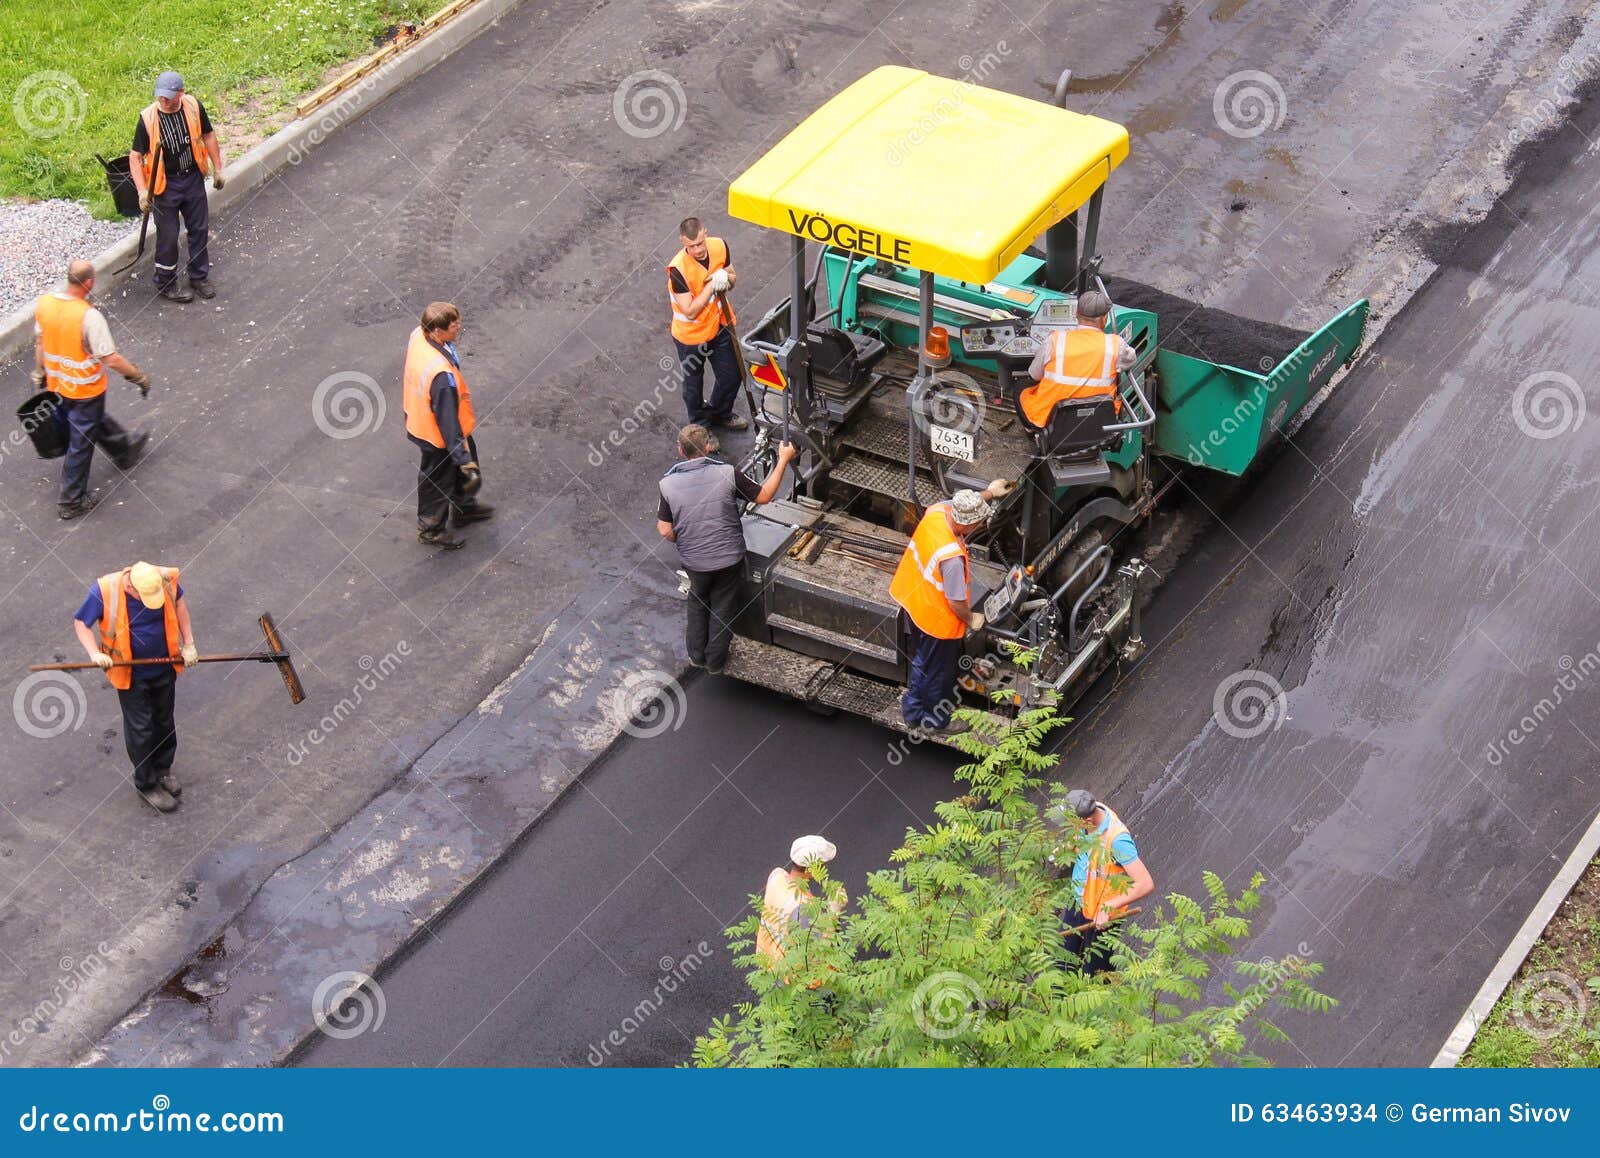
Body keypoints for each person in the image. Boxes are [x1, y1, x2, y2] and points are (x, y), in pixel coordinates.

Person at [657, 424, 795, 672]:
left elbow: (665, 530)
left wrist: (686, 540)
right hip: (729, 559)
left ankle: (697, 656)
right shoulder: (727, 474)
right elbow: (763, 496)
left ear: (680, 450)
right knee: (723, 606)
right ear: (708, 446)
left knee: (698, 603)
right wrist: (783, 459)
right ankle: (715, 662)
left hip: (695, 561)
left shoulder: (667, 485)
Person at [72, 562, 198, 814]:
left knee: (164, 720)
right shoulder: (105, 590)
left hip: (165, 665)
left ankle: (163, 770)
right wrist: (94, 653)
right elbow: (81, 623)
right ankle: (147, 784)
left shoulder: (162, 581)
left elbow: (180, 605)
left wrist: (189, 644)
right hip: (131, 673)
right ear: (131, 586)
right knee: (141, 728)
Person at [888, 484, 1012, 735]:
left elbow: (956, 503)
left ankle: (913, 711)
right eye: (977, 522)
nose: (978, 526)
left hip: (914, 600)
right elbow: (956, 602)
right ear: (966, 525)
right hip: (936, 620)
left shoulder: (937, 512)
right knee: (938, 672)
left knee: (924, 661)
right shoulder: (951, 558)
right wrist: (972, 619)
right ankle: (935, 722)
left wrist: (989, 493)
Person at [32, 260, 151, 519]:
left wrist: (40, 372)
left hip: (58, 385)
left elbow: (40, 343)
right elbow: (110, 358)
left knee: (89, 422)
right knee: (81, 441)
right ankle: (71, 501)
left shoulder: (46, 304)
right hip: (85, 390)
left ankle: (124, 449)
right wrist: (138, 376)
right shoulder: (88, 317)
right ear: (88, 283)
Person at [402, 302, 493, 550]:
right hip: (435, 434)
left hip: (429, 419)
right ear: (437, 331)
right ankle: (430, 528)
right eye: (454, 325)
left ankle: (464, 506)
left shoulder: (419, 335)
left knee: (465, 462)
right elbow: (447, 423)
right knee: (437, 478)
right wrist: (460, 455)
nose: (459, 328)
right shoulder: (441, 377)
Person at [129, 71, 224, 303]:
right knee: (168, 235)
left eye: (169, 97)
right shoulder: (148, 119)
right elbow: (135, 157)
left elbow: (208, 135)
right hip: (164, 185)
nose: (164, 101)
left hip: (192, 178)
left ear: (181, 93)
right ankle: (166, 282)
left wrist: (218, 168)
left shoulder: (192, 107)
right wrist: (142, 191)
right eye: (160, 96)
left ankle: (199, 277)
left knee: (199, 229)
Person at [1055, 789, 1155, 975]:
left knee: (1096, 973)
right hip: (1078, 903)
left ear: (1087, 821)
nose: (1069, 827)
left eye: (1071, 823)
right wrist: (1066, 848)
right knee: (1062, 964)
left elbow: (1145, 883)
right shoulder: (1089, 812)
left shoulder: (1117, 840)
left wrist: (1108, 907)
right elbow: (1080, 841)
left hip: (1103, 915)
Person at [667, 216, 747, 431]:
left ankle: (720, 412)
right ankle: (700, 426)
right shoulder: (678, 270)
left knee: (732, 374)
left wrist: (726, 278)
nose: (698, 250)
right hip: (690, 337)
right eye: (691, 246)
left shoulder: (719, 246)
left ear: (705, 233)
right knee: (694, 384)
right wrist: (712, 285)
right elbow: (690, 311)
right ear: (683, 242)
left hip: (719, 326)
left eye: (700, 243)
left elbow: (732, 277)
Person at [1018, 289, 1136, 428]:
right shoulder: (1116, 344)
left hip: (1053, 421)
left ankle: (1033, 431)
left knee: (1020, 387)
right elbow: (1130, 359)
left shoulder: (1055, 340)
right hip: (1099, 421)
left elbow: (1035, 374)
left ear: (1076, 314)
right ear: (1104, 319)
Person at [756, 835, 846, 977]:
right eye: (822, 865)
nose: (825, 868)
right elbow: (815, 957)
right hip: (791, 981)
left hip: (769, 963)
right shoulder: (803, 910)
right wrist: (835, 911)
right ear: (811, 869)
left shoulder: (777, 875)